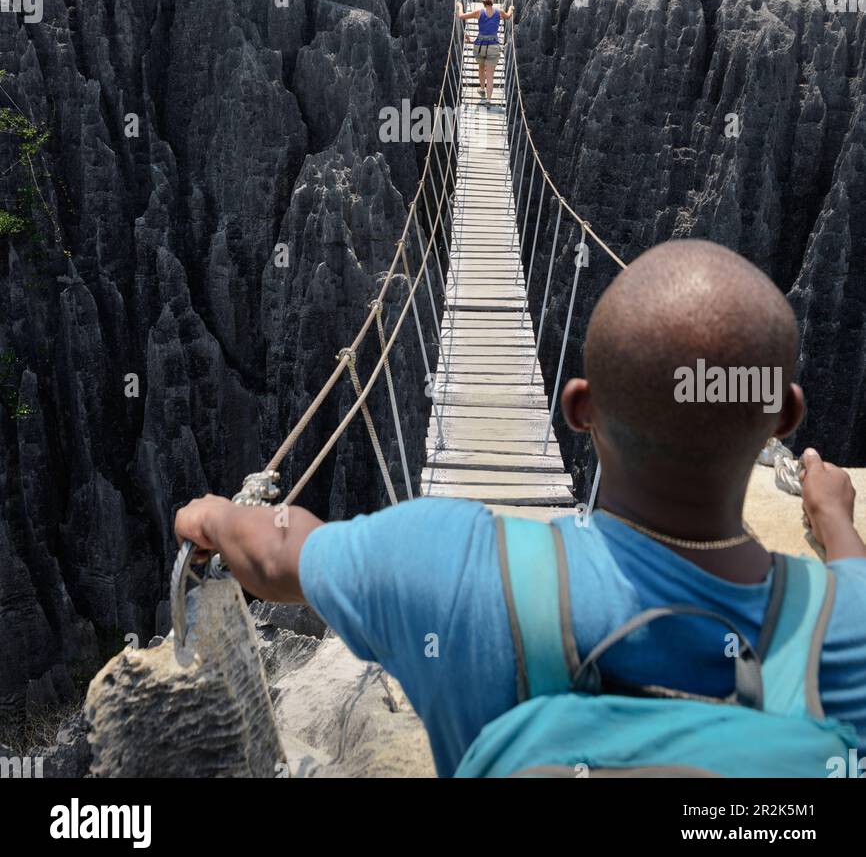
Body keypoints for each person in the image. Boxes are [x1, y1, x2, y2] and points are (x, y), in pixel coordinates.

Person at [175, 240, 866, 779]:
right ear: (785, 416)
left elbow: (272, 555)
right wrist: (835, 522)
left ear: (578, 410)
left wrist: (210, 518)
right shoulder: (852, 623)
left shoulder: (452, 568)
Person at [456, 0, 513, 106]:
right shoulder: (499, 12)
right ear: (493, 1)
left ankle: (482, 89)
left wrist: (460, 6)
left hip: (480, 46)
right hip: (493, 46)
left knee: (481, 68)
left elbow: (461, 16)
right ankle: (488, 100)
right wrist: (511, 8)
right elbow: (508, 16)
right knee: (490, 75)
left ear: (483, 2)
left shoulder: (478, 12)